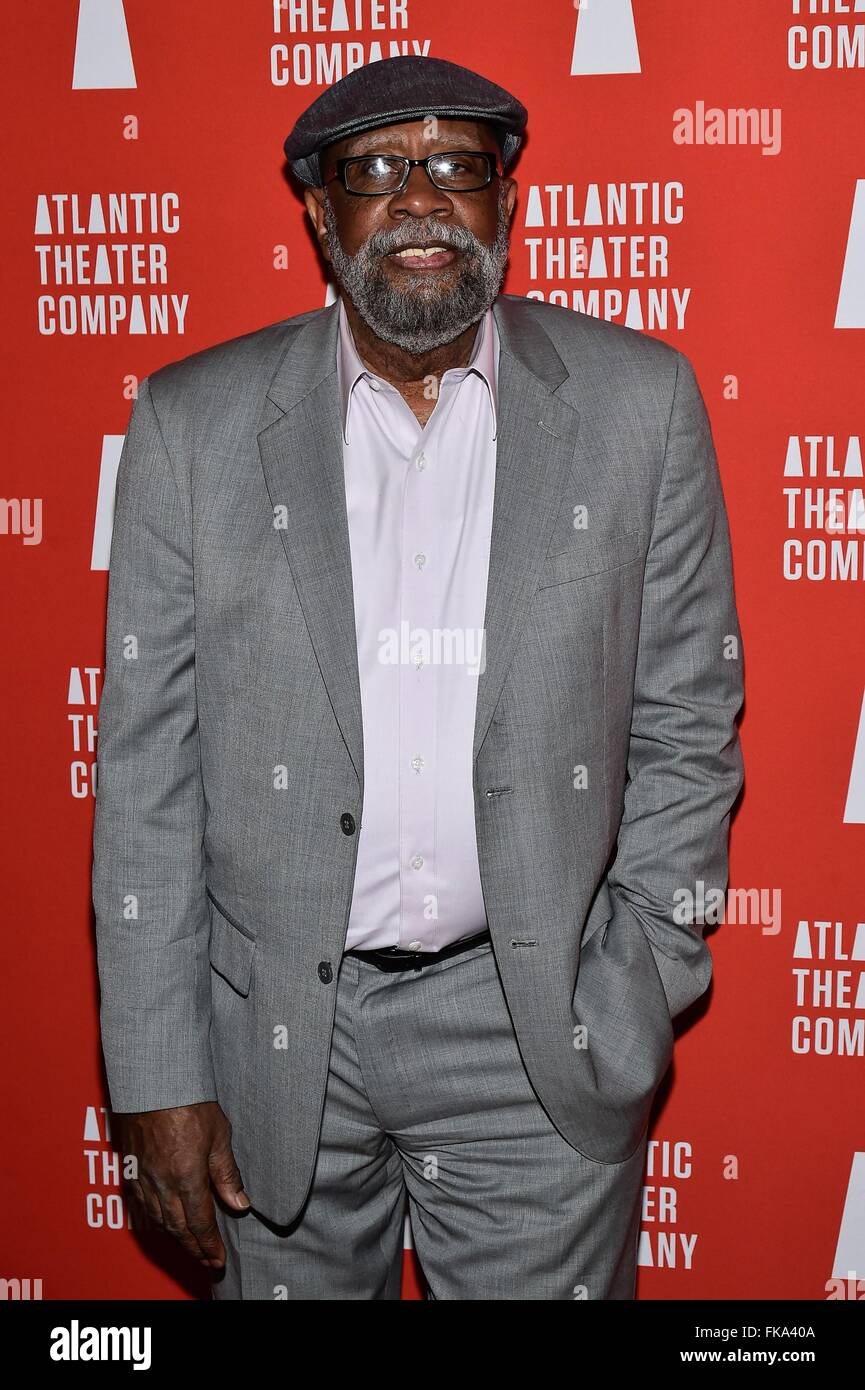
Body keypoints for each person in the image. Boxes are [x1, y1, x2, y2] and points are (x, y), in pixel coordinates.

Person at [92, 54, 745, 1300]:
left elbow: (687, 721)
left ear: (508, 200)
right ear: (318, 212)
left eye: (457, 167)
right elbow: (146, 777)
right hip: (277, 1034)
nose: (419, 201)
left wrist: (638, 977)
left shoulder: (638, 405)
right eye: (375, 172)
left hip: (536, 1028)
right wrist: (159, 1068)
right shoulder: (192, 428)